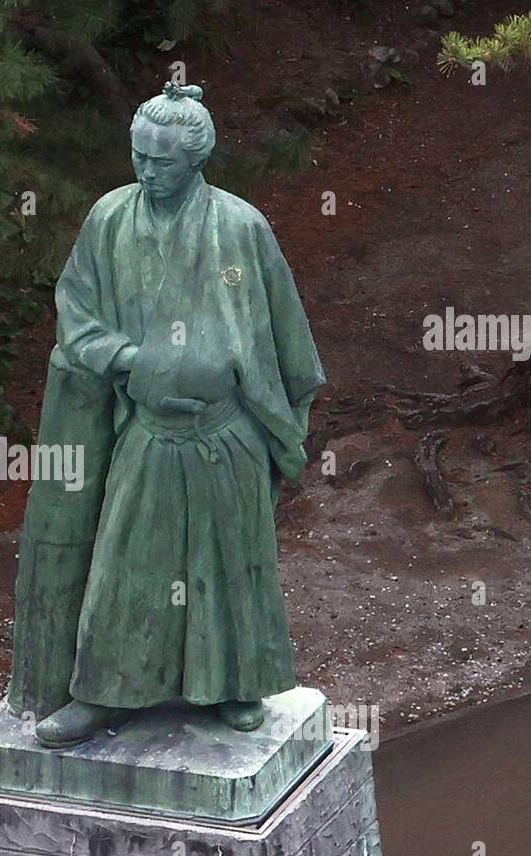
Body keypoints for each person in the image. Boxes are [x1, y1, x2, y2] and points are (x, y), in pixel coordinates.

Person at [32, 82, 325, 748]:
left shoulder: (240, 226)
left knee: (227, 566)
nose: (145, 171)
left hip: (226, 434)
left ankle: (232, 684)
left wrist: (281, 418)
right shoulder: (109, 219)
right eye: (138, 156)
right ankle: (105, 692)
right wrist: (128, 357)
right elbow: (77, 313)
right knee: (125, 569)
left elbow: (287, 335)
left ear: (195, 159)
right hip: (150, 431)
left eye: (160, 161)